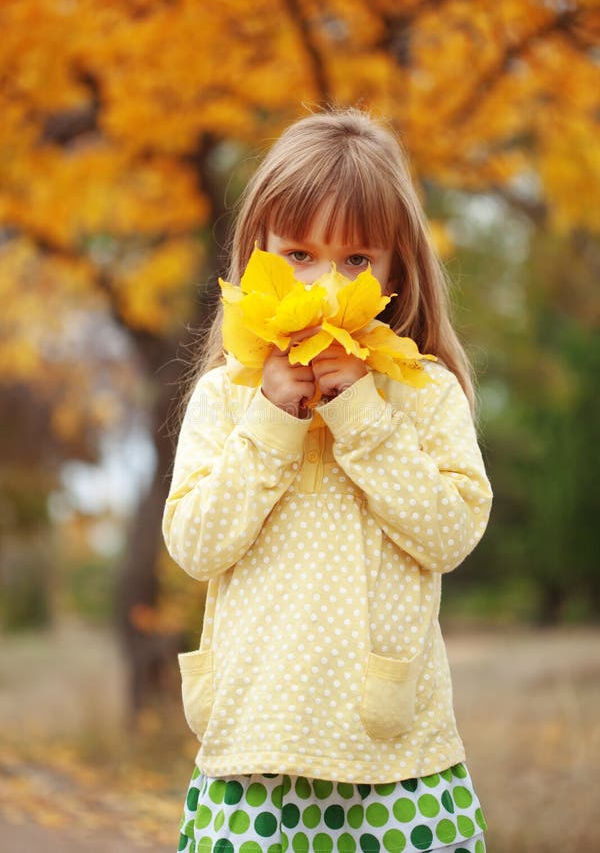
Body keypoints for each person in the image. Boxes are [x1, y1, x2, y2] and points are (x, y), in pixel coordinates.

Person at [162, 108, 493, 853]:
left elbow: (451, 533)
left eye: (355, 262)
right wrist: (274, 420)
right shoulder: (227, 396)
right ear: (259, 258)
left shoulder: (424, 391)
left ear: (395, 269)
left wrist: (362, 416)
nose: (324, 284)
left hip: (391, 758)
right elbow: (194, 543)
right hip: (254, 751)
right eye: (301, 255)